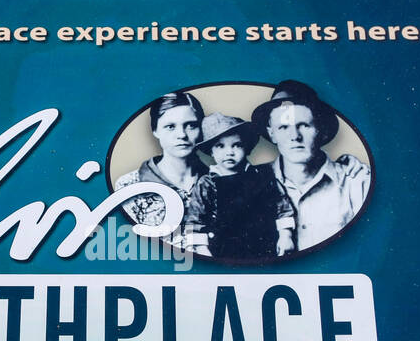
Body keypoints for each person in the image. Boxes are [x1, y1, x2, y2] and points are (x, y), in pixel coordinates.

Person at [252, 79, 371, 250]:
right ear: (272, 134)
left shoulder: (356, 182)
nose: (295, 136)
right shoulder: (252, 182)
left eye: (303, 125)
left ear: (320, 129)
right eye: (284, 127)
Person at [184, 112, 296, 259]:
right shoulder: (207, 183)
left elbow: (282, 206)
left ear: (246, 147)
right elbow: (196, 220)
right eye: (220, 146)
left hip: (265, 246)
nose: (229, 152)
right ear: (211, 150)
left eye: (237, 145)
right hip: (223, 249)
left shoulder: (262, 176)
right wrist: (202, 249)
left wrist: (285, 236)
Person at [115, 90, 208, 243]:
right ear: (155, 130)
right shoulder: (130, 185)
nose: (182, 135)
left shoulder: (217, 180)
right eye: (170, 126)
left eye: (191, 125)